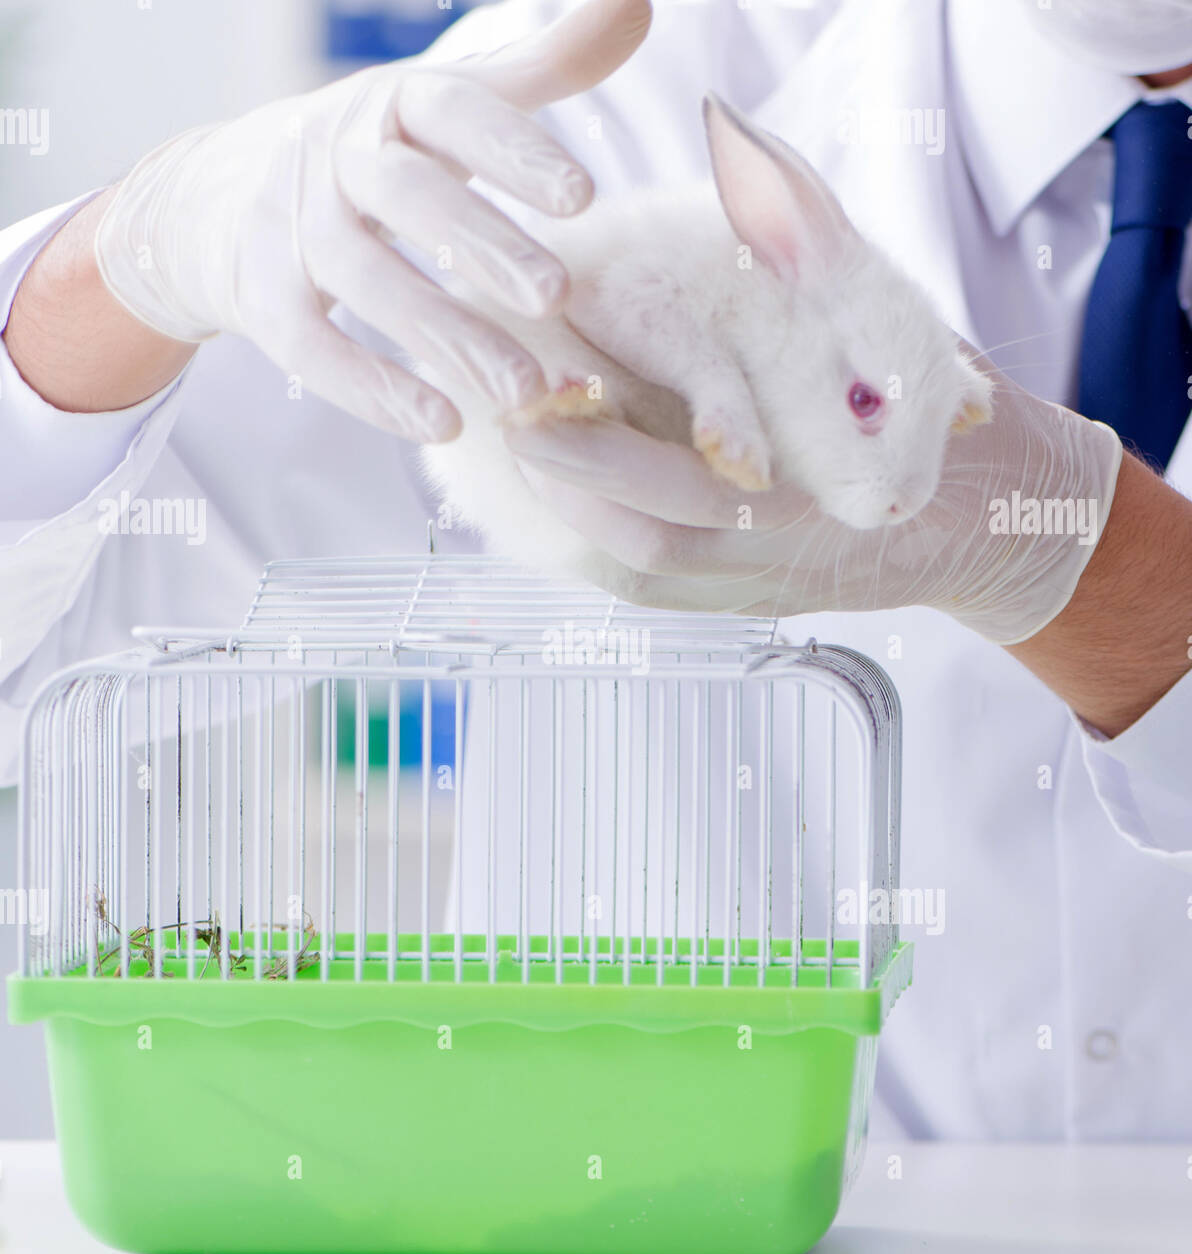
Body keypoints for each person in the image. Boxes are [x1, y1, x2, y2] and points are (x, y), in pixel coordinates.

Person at [3, 0, 1191, 1140]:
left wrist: (1098, 568)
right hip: (640, 1232)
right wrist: (131, 255)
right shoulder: (618, 85)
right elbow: (48, 647)